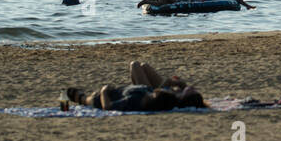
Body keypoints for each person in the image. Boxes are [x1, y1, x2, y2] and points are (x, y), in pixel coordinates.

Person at [66, 61, 204, 111]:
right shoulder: (171, 97)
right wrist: (177, 83)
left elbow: (107, 107)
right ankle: (78, 98)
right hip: (141, 91)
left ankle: (80, 99)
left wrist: (103, 91)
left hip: (107, 96)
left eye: (191, 91)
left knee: (88, 99)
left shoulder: (137, 100)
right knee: (142, 66)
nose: (191, 89)